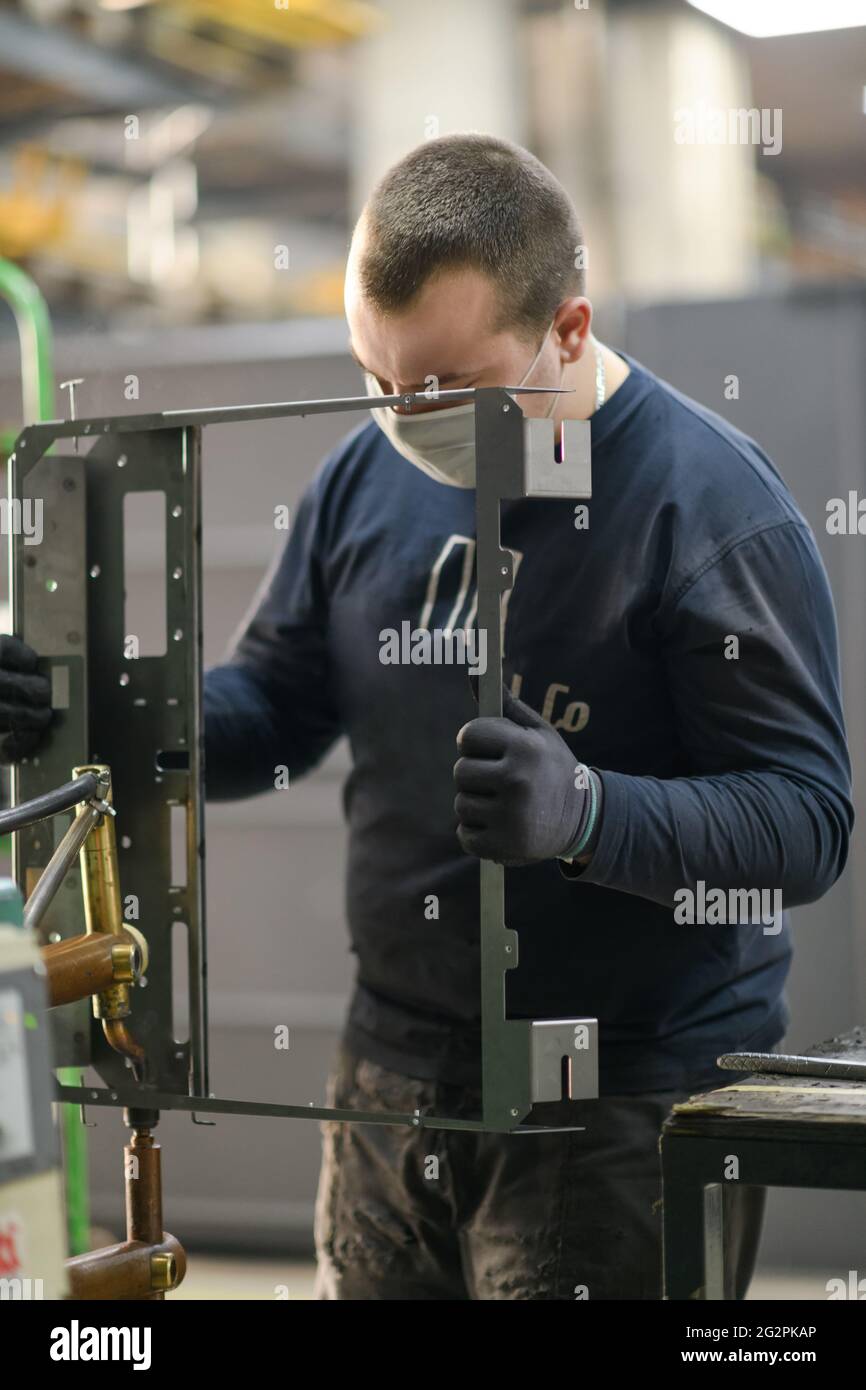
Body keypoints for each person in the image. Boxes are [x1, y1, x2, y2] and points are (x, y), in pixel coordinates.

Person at [1, 135, 852, 1300]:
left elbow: (806, 823)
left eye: (446, 390)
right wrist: (97, 713)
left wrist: (589, 813)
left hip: (610, 1101)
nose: (406, 419)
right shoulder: (368, 473)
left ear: (566, 327)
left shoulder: (704, 509)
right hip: (387, 1082)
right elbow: (275, 710)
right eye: (375, 377)